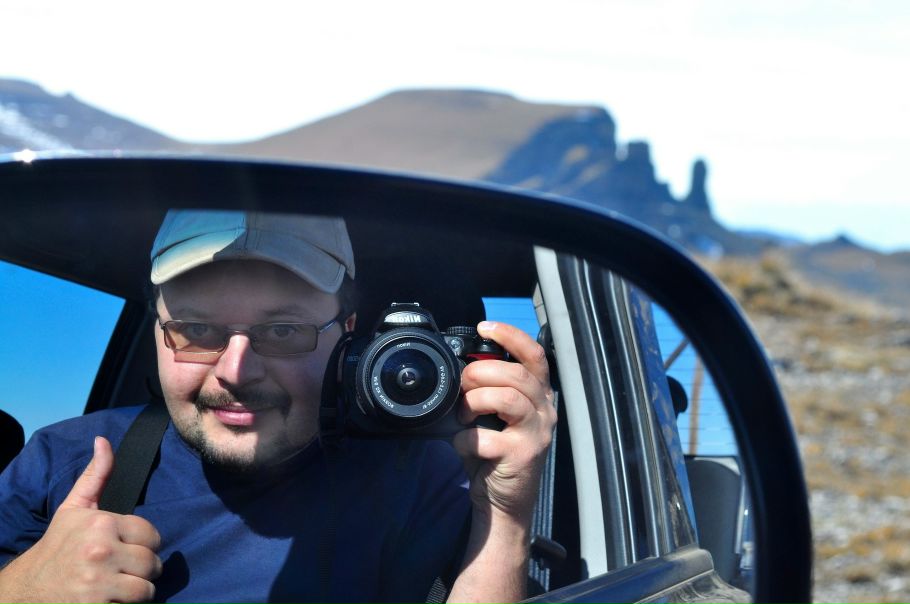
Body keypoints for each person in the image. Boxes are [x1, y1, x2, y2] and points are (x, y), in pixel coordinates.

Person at [0, 210, 557, 603]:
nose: (236, 370)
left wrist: (506, 518)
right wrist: (23, 591)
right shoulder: (64, 462)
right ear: (157, 332)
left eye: (284, 330)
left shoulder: (430, 483)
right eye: (196, 330)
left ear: (348, 335)